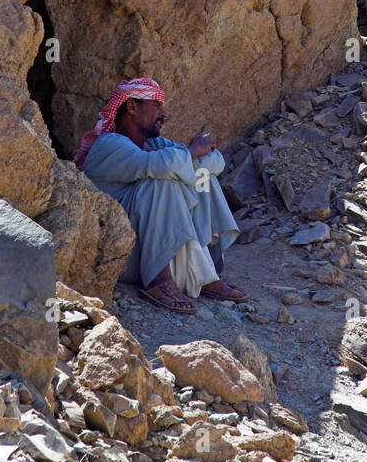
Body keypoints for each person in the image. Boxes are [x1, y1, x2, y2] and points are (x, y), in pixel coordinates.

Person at [75, 77, 244, 313]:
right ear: (132, 107)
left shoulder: (155, 144)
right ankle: (159, 281)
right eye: (156, 105)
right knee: (160, 181)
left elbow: (214, 162)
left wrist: (193, 157)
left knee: (203, 176)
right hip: (123, 253)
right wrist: (194, 149)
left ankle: (204, 273)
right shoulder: (108, 144)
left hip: (161, 243)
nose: (163, 113)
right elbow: (159, 166)